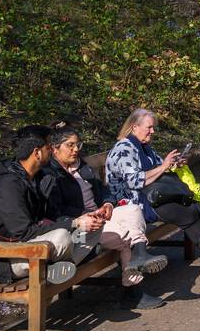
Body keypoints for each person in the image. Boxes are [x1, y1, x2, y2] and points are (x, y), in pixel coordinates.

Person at [105, 109, 200, 271]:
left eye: (153, 127)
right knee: (186, 213)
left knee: (197, 206)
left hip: (152, 196)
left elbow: (160, 168)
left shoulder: (144, 146)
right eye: (149, 127)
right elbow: (134, 181)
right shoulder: (124, 149)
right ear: (135, 127)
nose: (153, 131)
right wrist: (164, 166)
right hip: (134, 204)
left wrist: (174, 164)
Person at [42, 123, 170, 310]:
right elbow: (55, 211)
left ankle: (140, 254)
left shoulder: (82, 167)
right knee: (126, 239)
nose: (76, 149)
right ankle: (132, 291)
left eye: (78, 145)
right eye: (70, 145)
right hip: (82, 228)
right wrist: (84, 217)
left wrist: (108, 203)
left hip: (101, 216)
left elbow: (104, 190)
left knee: (132, 209)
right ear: (54, 149)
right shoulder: (51, 175)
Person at [0, 128, 101, 284]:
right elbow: (23, 232)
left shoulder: (38, 178)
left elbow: (51, 215)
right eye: (49, 147)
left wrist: (81, 219)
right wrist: (73, 223)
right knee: (62, 237)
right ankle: (55, 271)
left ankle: (60, 270)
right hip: (2, 257)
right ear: (37, 153)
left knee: (93, 227)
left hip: (32, 246)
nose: (52, 151)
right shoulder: (8, 185)